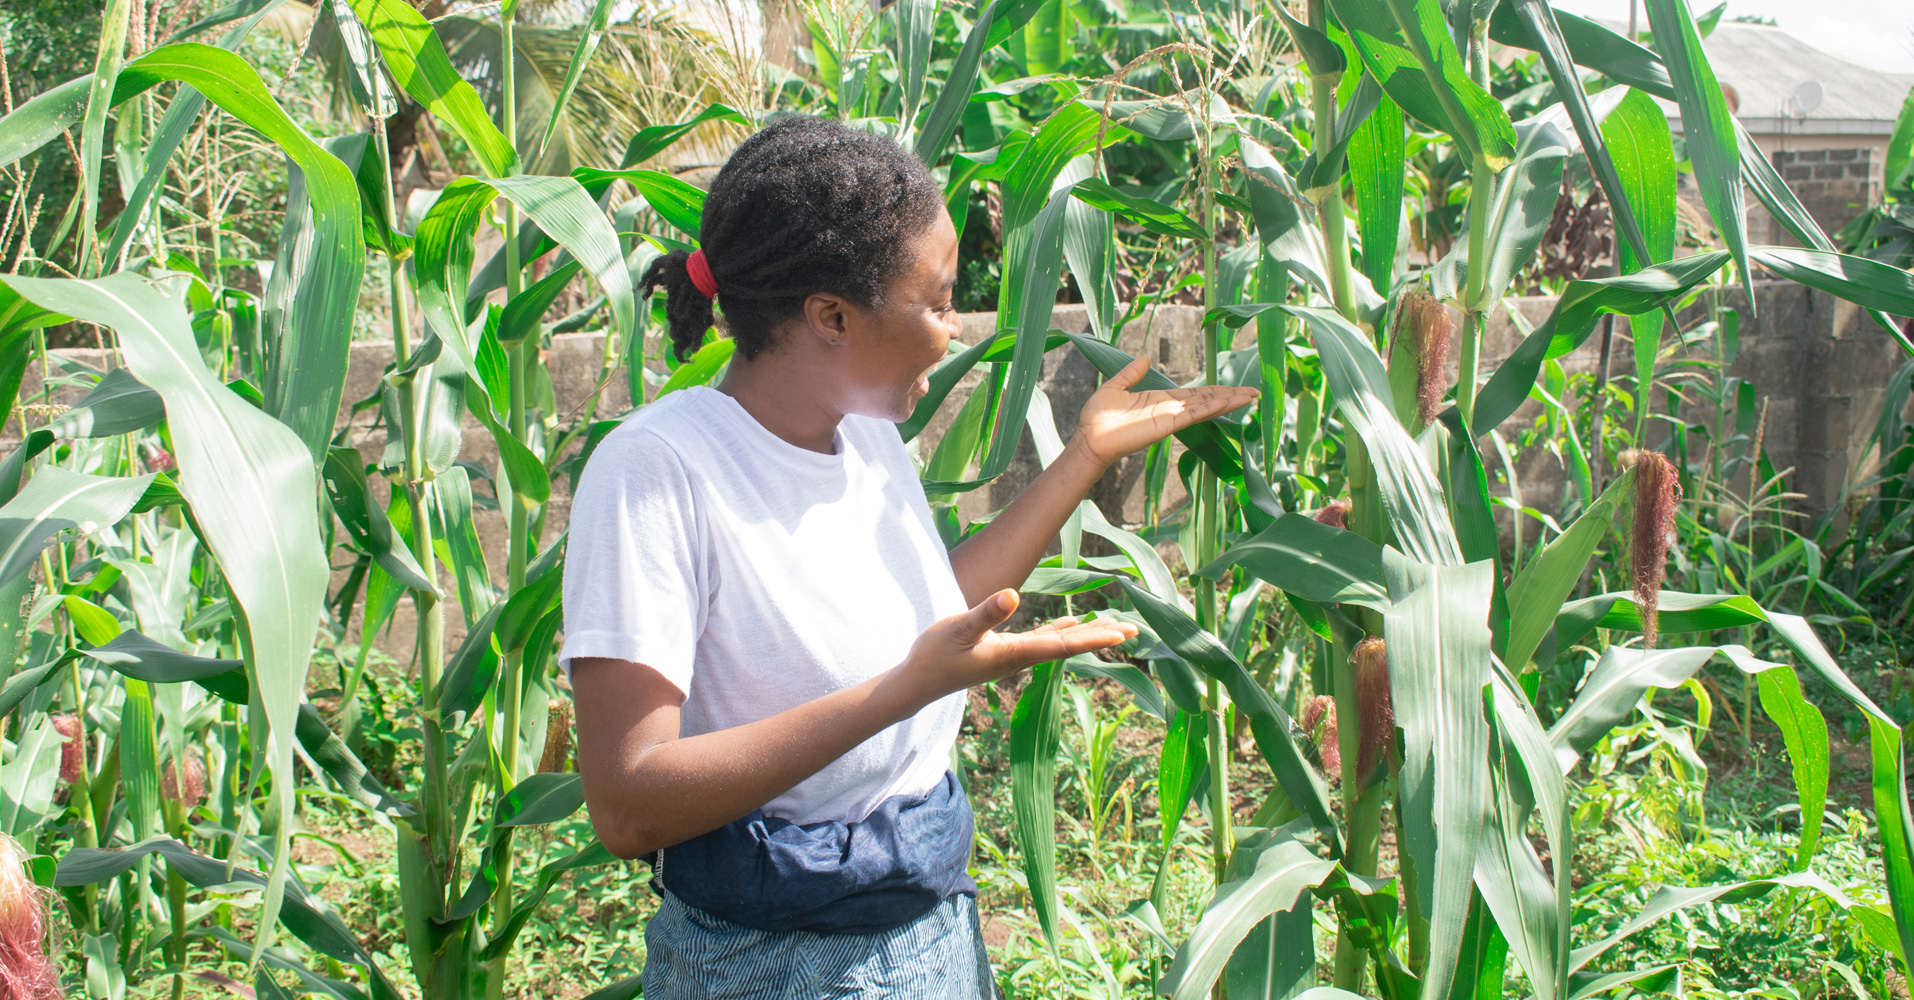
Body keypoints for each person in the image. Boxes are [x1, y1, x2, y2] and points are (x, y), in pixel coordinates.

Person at [562, 114, 1257, 999]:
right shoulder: (658, 472)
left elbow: (929, 615)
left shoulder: (863, 432)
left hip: (925, 920)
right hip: (770, 964)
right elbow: (629, 803)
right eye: (936, 301)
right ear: (831, 316)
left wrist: (1082, 459)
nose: (956, 327)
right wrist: (906, 691)